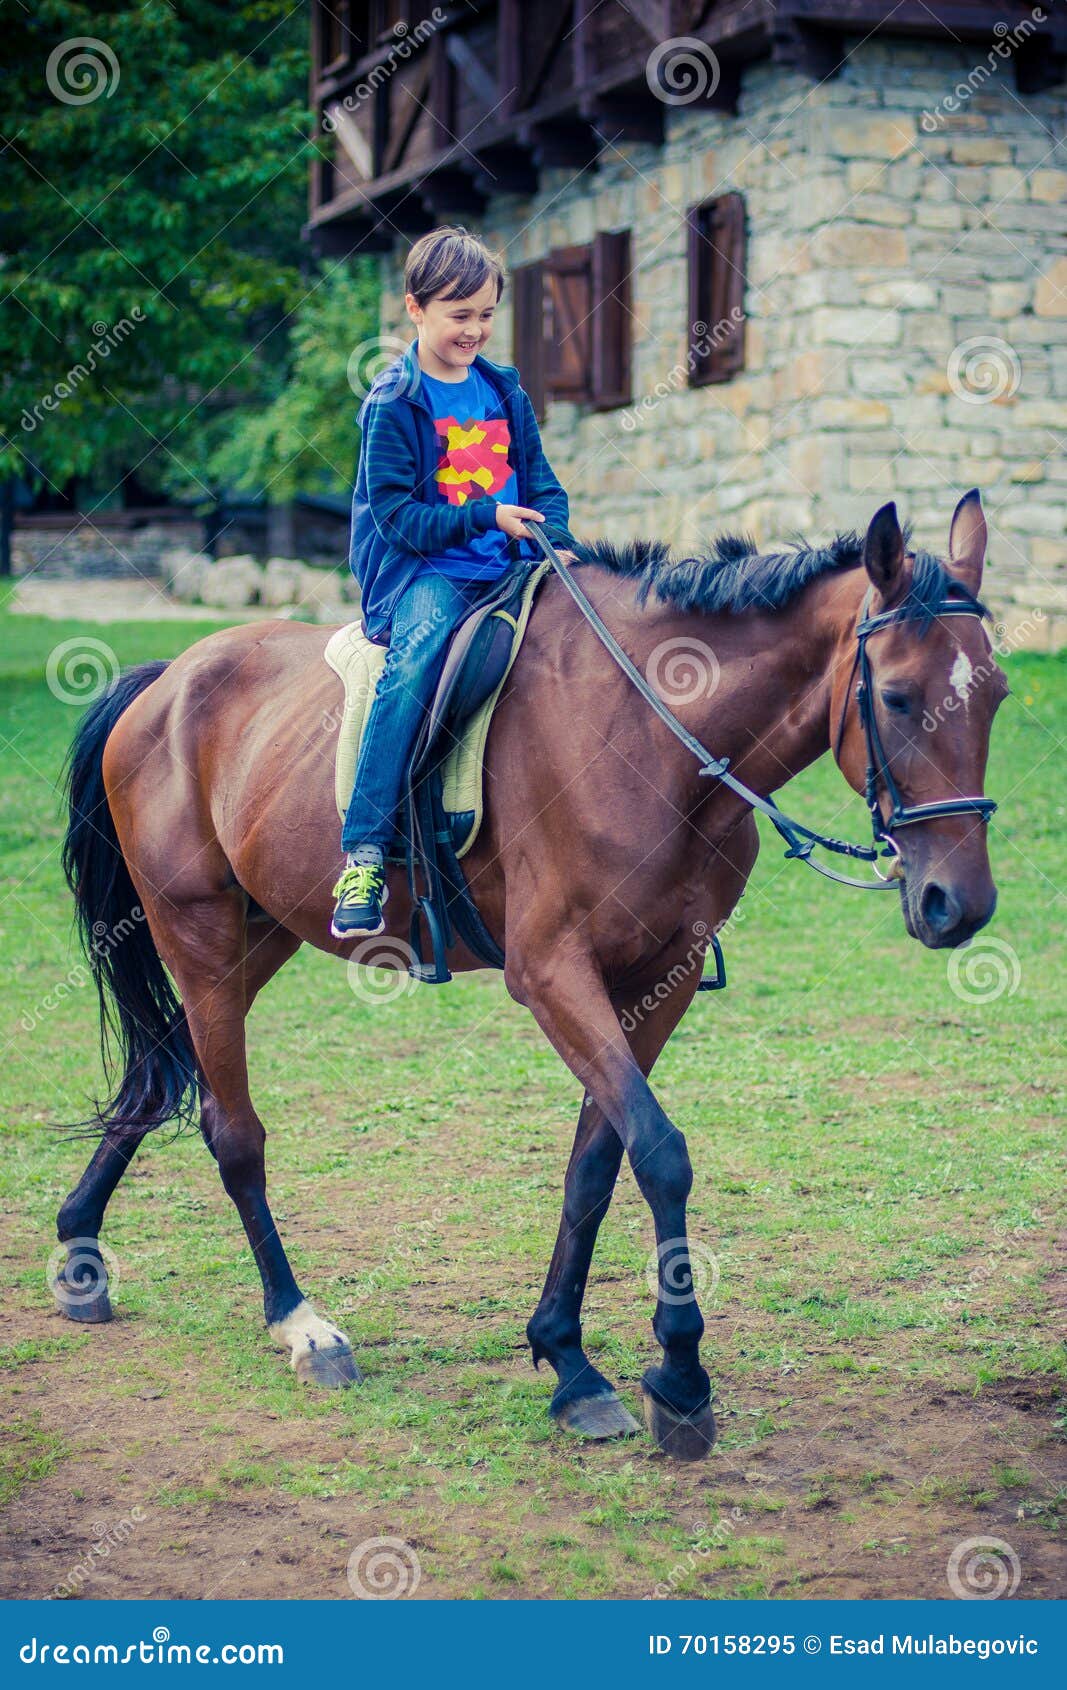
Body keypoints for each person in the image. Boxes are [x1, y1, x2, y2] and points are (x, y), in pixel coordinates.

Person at [331, 226, 577, 940]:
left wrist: (559, 545)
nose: (473, 329)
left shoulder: (503, 390)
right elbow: (397, 515)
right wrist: (489, 516)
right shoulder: (394, 401)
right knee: (411, 670)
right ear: (414, 309)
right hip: (422, 576)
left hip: (508, 569)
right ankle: (366, 851)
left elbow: (545, 490)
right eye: (457, 314)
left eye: (485, 314)